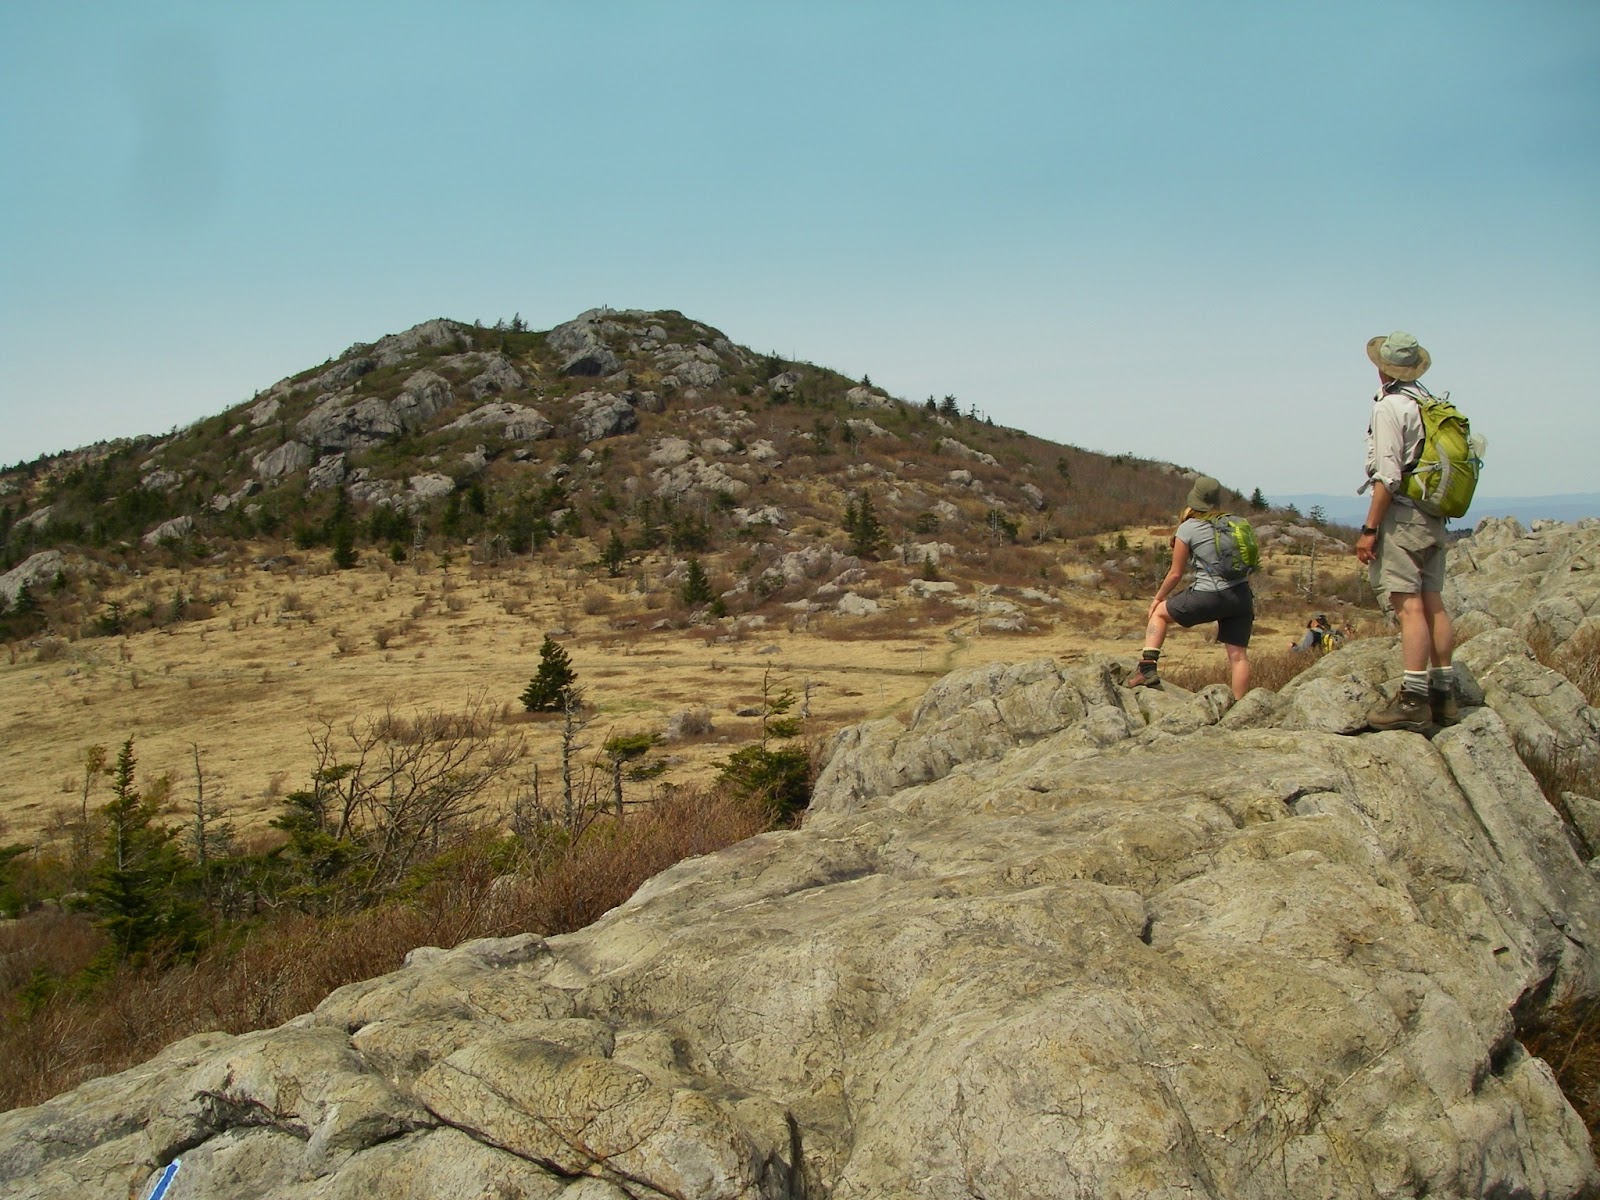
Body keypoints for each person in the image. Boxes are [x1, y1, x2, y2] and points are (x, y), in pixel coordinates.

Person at [1356, 330, 1457, 732]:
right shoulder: (1429, 403)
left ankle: (1413, 699)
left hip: (1404, 515)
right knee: (1434, 601)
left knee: (1408, 606)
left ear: (1383, 369)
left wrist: (1369, 529)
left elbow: (1387, 476)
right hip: (1434, 514)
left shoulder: (1390, 407)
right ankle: (1443, 694)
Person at [1125, 475, 1253, 699]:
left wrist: (1157, 599)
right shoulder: (1236, 523)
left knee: (1160, 614)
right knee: (1239, 657)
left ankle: (1147, 669)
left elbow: (1176, 573)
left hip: (1209, 594)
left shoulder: (1189, 528)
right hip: (1241, 596)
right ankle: (1240, 708)